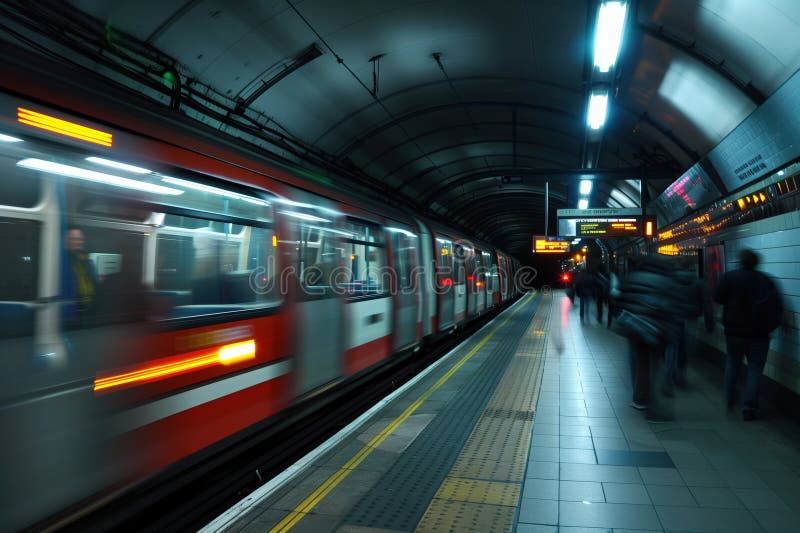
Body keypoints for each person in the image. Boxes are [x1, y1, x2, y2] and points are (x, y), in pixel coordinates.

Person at [713, 249, 783, 421]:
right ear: (756, 263)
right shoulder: (765, 280)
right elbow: (777, 306)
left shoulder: (729, 277)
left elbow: (717, 297)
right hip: (759, 334)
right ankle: (749, 407)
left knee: (732, 363)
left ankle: (729, 398)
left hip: (734, 332)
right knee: (755, 369)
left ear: (740, 261)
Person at [64, 226, 99, 326]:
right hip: (71, 309)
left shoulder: (86, 258)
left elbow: (95, 280)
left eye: (80, 239)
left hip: (88, 309)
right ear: (66, 240)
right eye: (74, 239)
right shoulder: (62, 259)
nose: (79, 242)